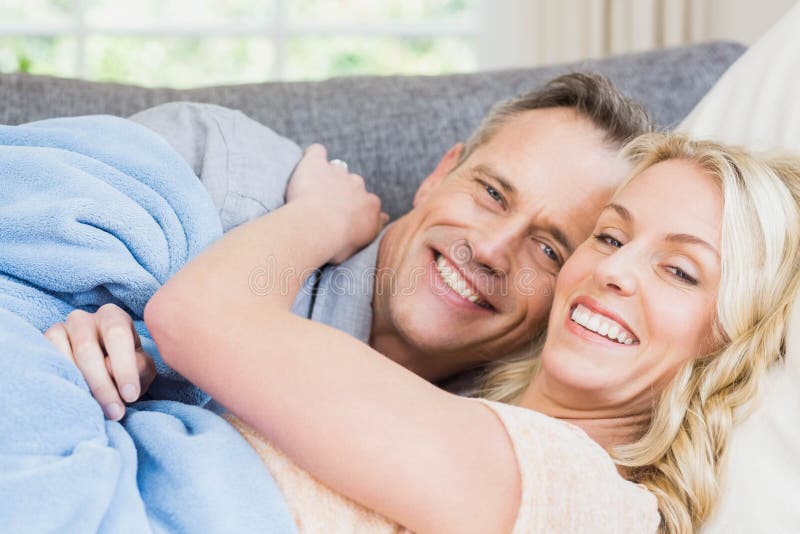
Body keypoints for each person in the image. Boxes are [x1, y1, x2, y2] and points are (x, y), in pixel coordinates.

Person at [133, 132, 800, 533]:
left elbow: (196, 316)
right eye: (610, 236)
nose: (614, 271)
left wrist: (322, 217)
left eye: (680, 272)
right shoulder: (462, 415)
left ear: (730, 337)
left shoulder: (575, 496)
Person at [45, 73, 653, 420]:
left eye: (549, 250)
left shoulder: (493, 436)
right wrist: (42, 334)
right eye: (492, 193)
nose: (493, 249)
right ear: (441, 174)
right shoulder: (221, 170)